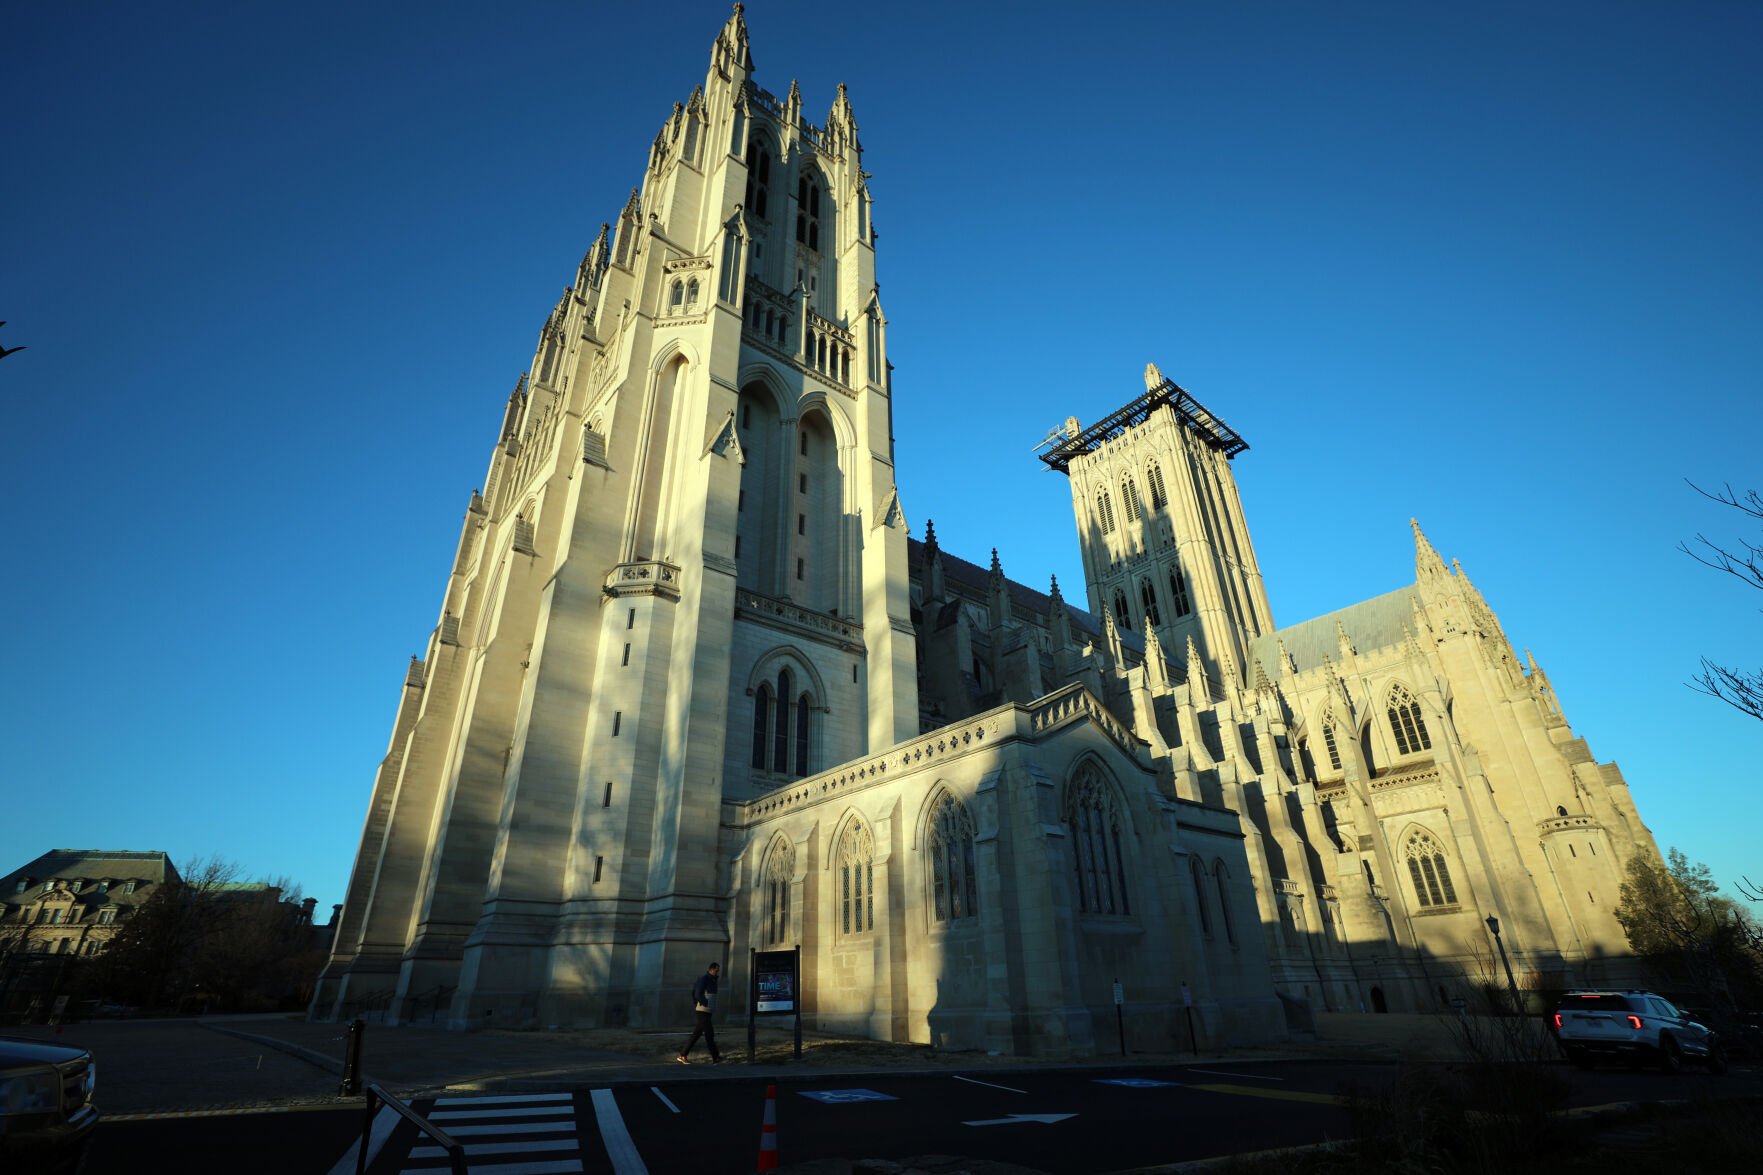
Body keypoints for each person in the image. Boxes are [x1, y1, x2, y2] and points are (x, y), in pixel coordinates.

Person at [678, 961, 723, 1064]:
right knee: (709, 1034)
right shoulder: (704, 979)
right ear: (711, 969)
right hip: (703, 1010)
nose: (717, 972)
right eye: (716, 970)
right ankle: (716, 1057)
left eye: (718, 970)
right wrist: (705, 1003)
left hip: (707, 1010)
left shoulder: (712, 980)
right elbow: (697, 993)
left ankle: (683, 1054)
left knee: (697, 1034)